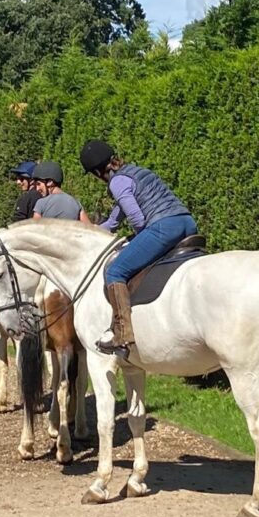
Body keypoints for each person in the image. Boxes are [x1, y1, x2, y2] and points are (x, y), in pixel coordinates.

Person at [79, 139, 197, 357]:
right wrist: (89, 231)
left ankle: (123, 334)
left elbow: (136, 218)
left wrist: (139, 233)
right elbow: (113, 221)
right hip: (186, 222)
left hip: (163, 226)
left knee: (115, 271)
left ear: (97, 171)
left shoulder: (116, 183)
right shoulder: (136, 172)